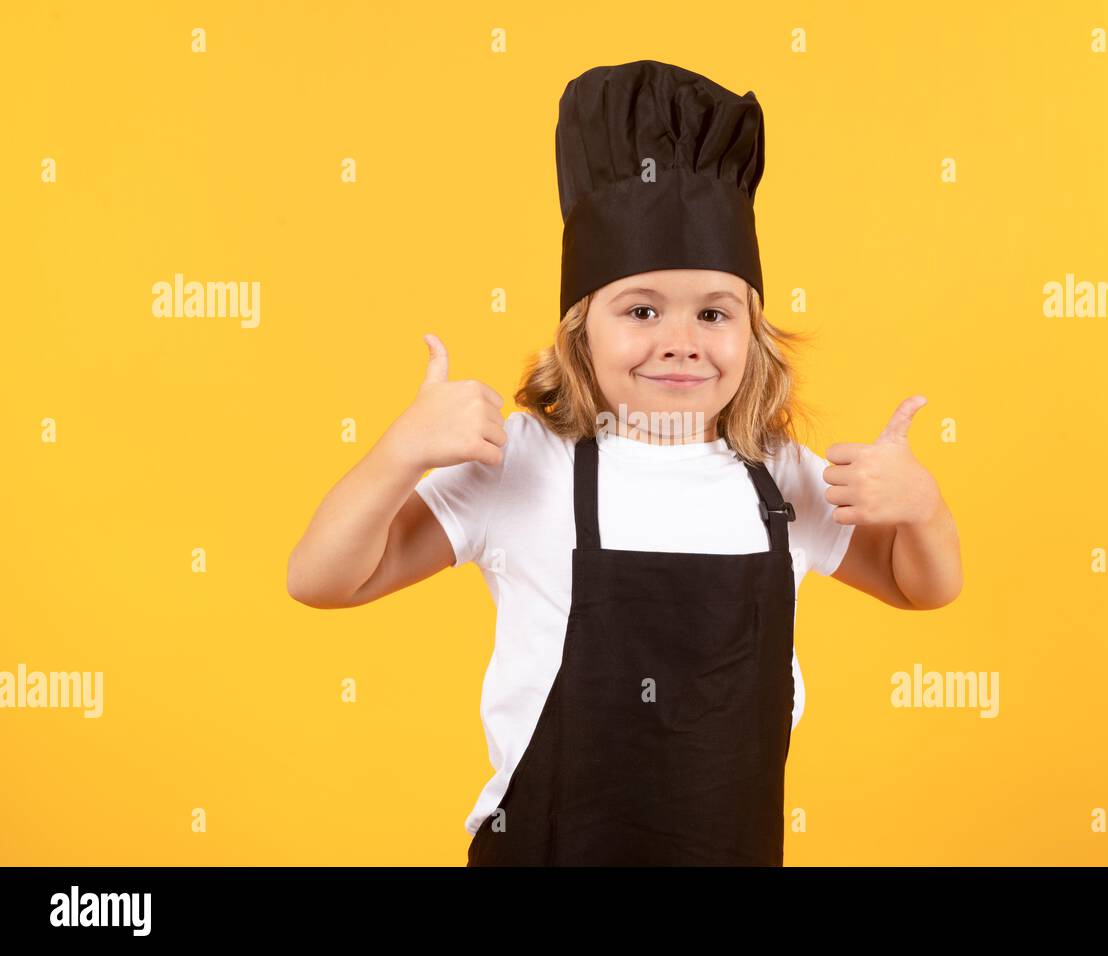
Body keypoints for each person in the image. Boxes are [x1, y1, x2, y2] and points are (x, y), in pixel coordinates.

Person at [287, 60, 962, 865]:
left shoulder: (777, 476)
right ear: (580, 332)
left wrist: (922, 509)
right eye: (641, 310)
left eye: (714, 313)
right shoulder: (524, 463)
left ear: (752, 337)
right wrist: (399, 454)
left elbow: (924, 587)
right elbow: (321, 579)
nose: (680, 339)